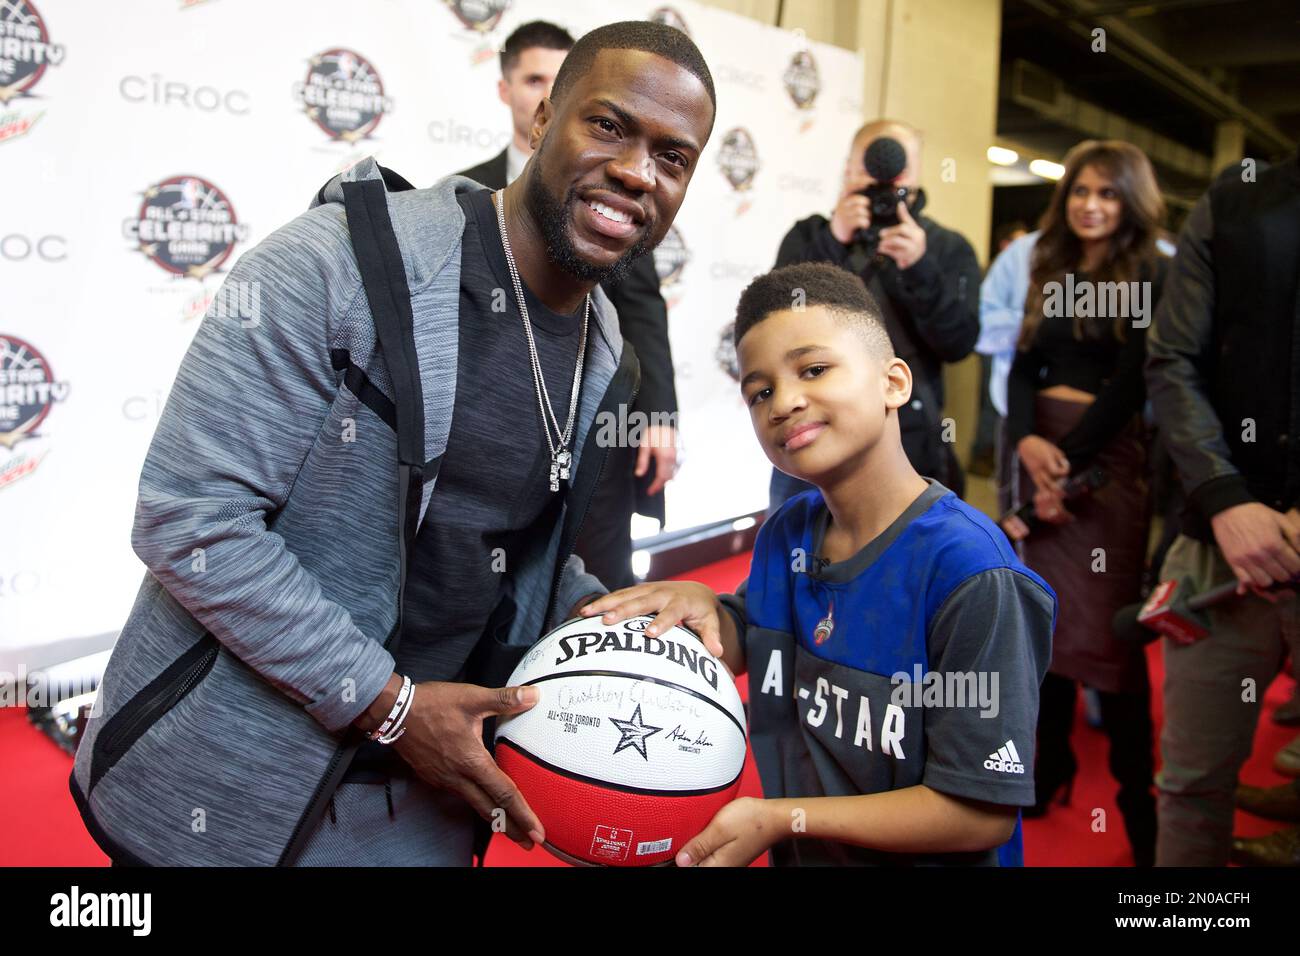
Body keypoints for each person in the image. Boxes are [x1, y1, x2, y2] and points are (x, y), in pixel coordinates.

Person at [69, 20, 716, 867]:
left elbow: (511, 554)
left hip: (428, 802)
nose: (636, 171)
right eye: (607, 125)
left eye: (673, 157)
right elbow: (192, 521)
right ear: (541, 117)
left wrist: (631, 625)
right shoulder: (331, 264)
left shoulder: (604, 349)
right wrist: (392, 705)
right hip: (223, 789)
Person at [580, 262, 1055, 866]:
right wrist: (708, 609)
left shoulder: (973, 573)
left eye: (813, 370)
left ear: (893, 383)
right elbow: (758, 638)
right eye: (760, 392)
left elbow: (978, 812)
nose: (784, 402)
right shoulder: (789, 532)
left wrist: (783, 818)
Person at [458, 20, 679, 590]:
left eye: (560, 78)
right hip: (482, 424)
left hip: (592, 424)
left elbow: (644, 309)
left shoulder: (624, 196)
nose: (548, 90)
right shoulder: (463, 191)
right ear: (511, 92)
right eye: (534, 79)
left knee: (596, 579)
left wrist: (659, 416)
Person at [999, 140, 1168, 867]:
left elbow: (1133, 382)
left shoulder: (1152, 271)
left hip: (1107, 466)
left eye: (1106, 192)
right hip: (1042, 450)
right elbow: (1022, 364)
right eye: (1079, 191)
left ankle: (1142, 805)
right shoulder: (1051, 263)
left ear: (1131, 201)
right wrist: (1029, 443)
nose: (1090, 205)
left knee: (1106, 639)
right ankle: (1048, 767)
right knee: (1047, 627)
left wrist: (1065, 469)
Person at [1145, 148, 1300, 867]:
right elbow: (1174, 358)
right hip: (1221, 546)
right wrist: (1225, 497)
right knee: (1191, 785)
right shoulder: (1237, 200)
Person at [768, 119, 981, 511]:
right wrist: (833, 242)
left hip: (908, 440)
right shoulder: (810, 236)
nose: (883, 178)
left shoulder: (947, 248)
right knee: (797, 542)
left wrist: (920, 268)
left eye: (896, 168)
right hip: (810, 433)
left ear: (915, 174)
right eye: (872, 164)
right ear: (849, 169)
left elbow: (958, 343)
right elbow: (775, 328)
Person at [969, 221, 1028, 479]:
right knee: (989, 404)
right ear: (1005, 244)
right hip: (996, 350)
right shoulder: (997, 272)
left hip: (1012, 351)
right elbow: (982, 323)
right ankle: (982, 456)